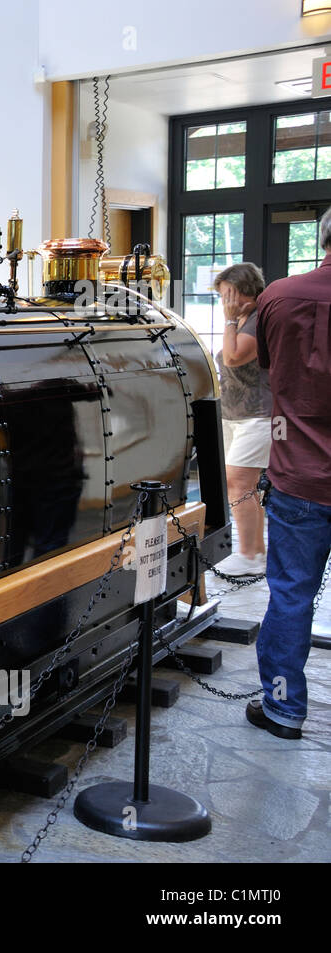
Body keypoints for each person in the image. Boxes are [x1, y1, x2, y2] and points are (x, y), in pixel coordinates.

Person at [243, 208, 331, 740]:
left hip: (298, 471)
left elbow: (268, 365)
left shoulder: (278, 295)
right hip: (299, 471)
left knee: (292, 594)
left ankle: (282, 708)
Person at [212, 262, 270, 577]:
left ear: (243, 292)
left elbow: (234, 356)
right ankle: (256, 551)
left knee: (239, 484)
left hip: (259, 415)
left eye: (227, 295)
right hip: (236, 415)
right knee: (244, 485)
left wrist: (230, 320)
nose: (224, 302)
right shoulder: (243, 319)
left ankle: (248, 556)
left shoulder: (258, 320)